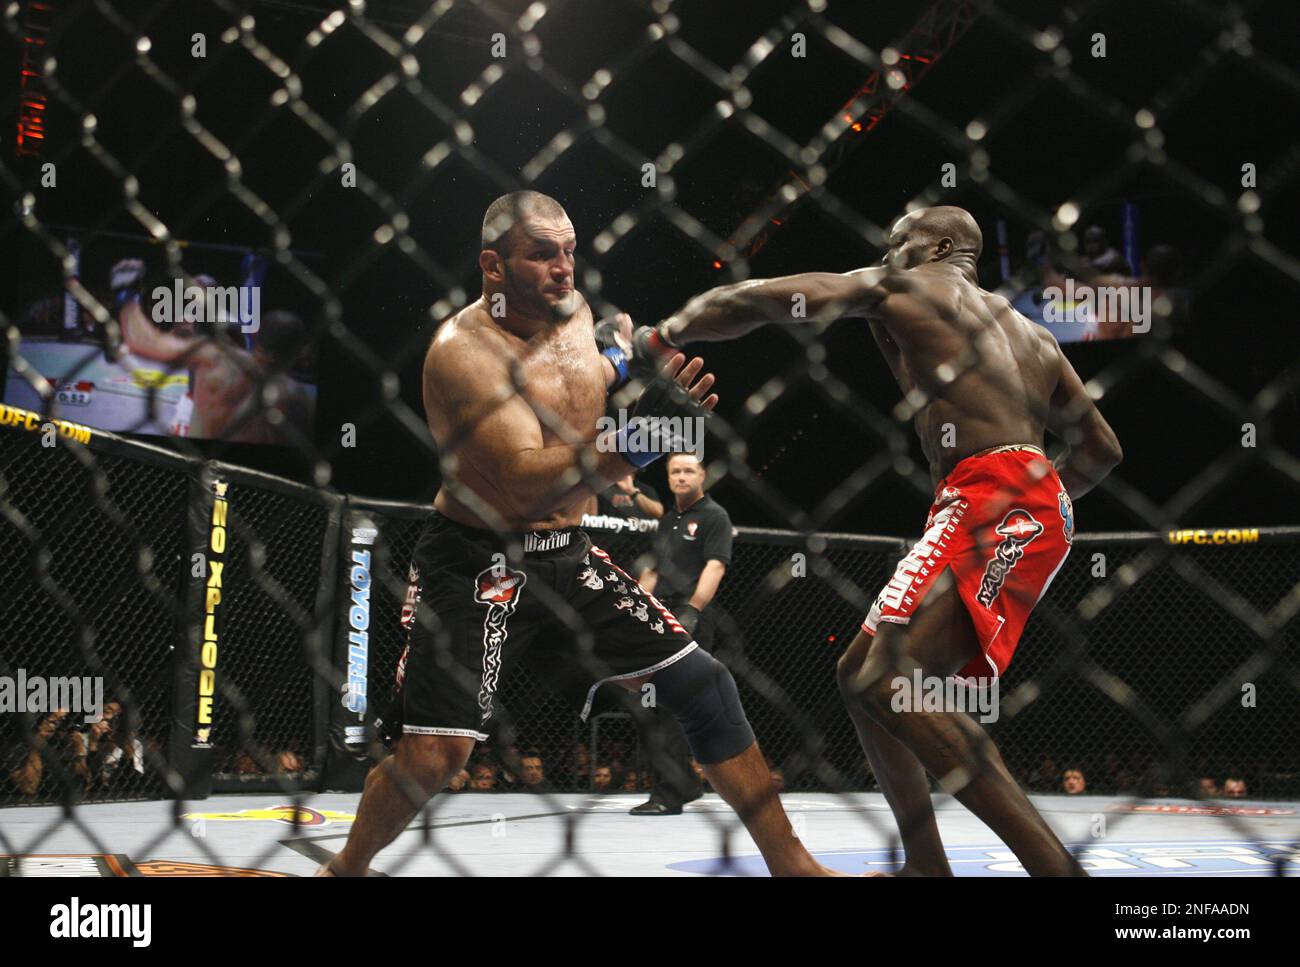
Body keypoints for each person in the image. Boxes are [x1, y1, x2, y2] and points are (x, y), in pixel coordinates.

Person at [320, 190, 838, 877]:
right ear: (493, 266)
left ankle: (792, 865)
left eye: (570, 250)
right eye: (542, 254)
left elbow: (586, 377)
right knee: (435, 757)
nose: (564, 268)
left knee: (705, 683)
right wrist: (632, 442)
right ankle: (344, 869)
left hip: (569, 555)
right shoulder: (462, 353)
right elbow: (522, 480)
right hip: (477, 560)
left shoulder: (576, 313)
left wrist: (625, 361)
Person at [649, 205, 1123, 876]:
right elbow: (1102, 449)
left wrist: (673, 326)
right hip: (1014, 497)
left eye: (896, 240)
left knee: (891, 676)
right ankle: (926, 863)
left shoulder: (910, 284)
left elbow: (773, 299)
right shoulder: (1034, 336)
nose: (885, 251)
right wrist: (1042, 499)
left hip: (991, 493)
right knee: (861, 675)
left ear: (938, 245)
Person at [627, 452, 734, 815]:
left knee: (668, 705)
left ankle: (670, 793)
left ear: (702, 475)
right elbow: (653, 571)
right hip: (661, 616)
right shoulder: (669, 519)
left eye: (689, 470)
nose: (682, 477)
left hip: (690, 618)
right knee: (658, 703)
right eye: (675, 471)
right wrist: (634, 606)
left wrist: (692, 609)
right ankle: (682, 784)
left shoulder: (714, 516)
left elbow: (715, 566)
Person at [112, 260, 312, 444]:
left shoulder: (225, 329)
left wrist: (126, 296)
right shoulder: (299, 398)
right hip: (199, 400)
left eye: (199, 291)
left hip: (214, 404)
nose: (193, 295)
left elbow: (151, 343)